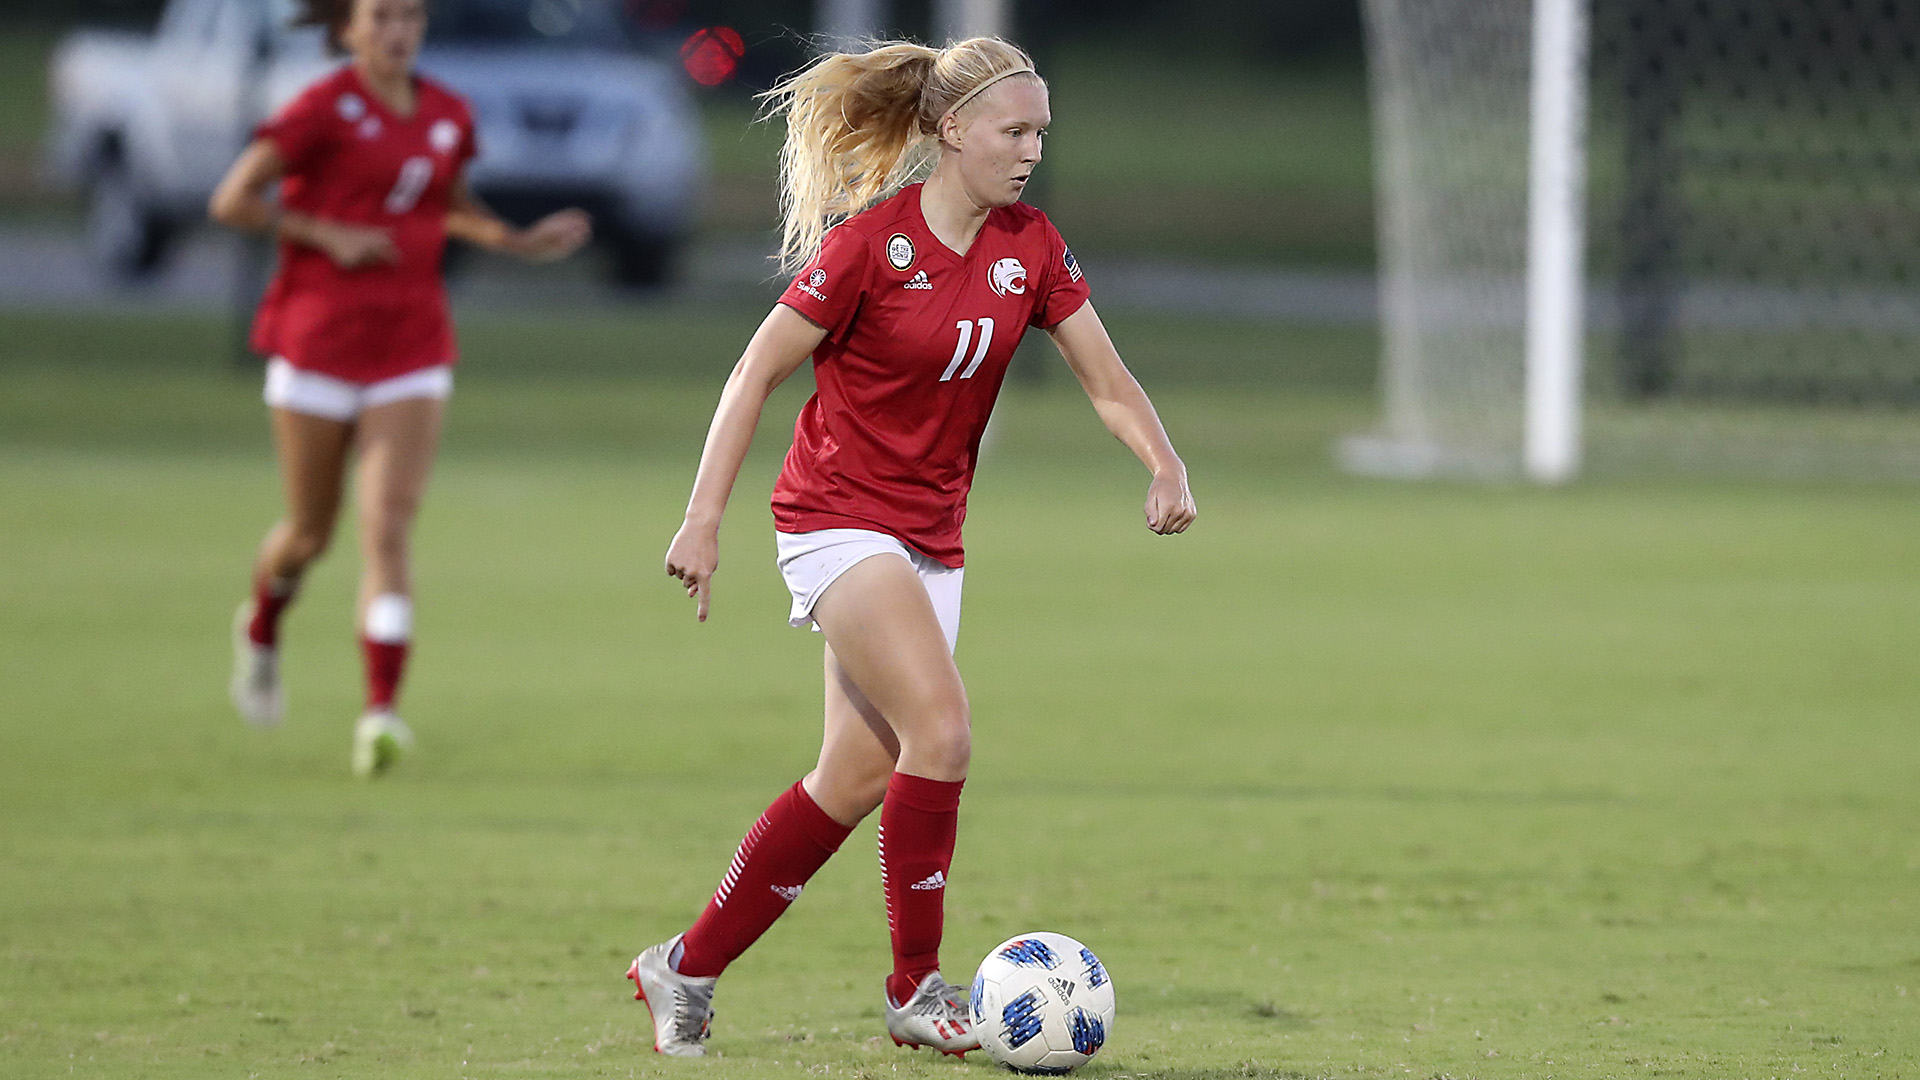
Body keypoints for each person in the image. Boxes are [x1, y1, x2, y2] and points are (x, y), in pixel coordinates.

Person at [631, 36, 1197, 1057]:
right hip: (836, 519)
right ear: (951, 131)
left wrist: (1166, 464)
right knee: (942, 732)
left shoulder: (1032, 245)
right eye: (1013, 131)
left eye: (1040, 134)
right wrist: (702, 516)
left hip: (933, 538)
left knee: (849, 782)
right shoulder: (868, 248)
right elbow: (752, 373)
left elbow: (1107, 383)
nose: (1030, 151)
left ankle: (686, 966)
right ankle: (914, 990)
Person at [210, 0, 591, 777]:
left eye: (410, 16)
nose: (398, 30)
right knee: (309, 535)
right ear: (348, 29)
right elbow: (233, 200)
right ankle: (262, 626)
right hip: (316, 344)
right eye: (382, 16)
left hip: (412, 346)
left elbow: (445, 208)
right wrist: (325, 232)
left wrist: (517, 240)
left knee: (386, 528)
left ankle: (380, 713)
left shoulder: (447, 112)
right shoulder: (322, 108)